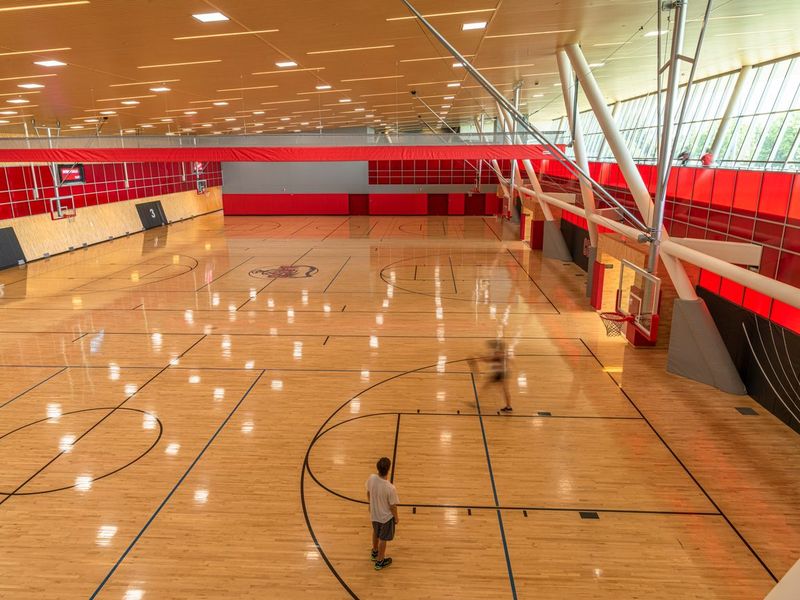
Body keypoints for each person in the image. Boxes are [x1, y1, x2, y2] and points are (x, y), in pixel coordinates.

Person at [366, 457, 399, 571]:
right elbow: (392, 506)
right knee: (383, 539)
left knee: (376, 532)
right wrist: (396, 518)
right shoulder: (390, 488)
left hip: (374, 514)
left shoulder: (371, 478)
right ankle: (380, 561)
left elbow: (368, 492)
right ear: (388, 469)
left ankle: (374, 552)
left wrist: (371, 505)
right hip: (386, 517)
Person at [470, 339, 513, 412]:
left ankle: (475, 403)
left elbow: (488, 360)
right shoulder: (501, 353)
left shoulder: (498, 353)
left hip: (499, 373)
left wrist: (478, 356)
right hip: (501, 373)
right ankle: (508, 406)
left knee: (490, 387)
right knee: (501, 389)